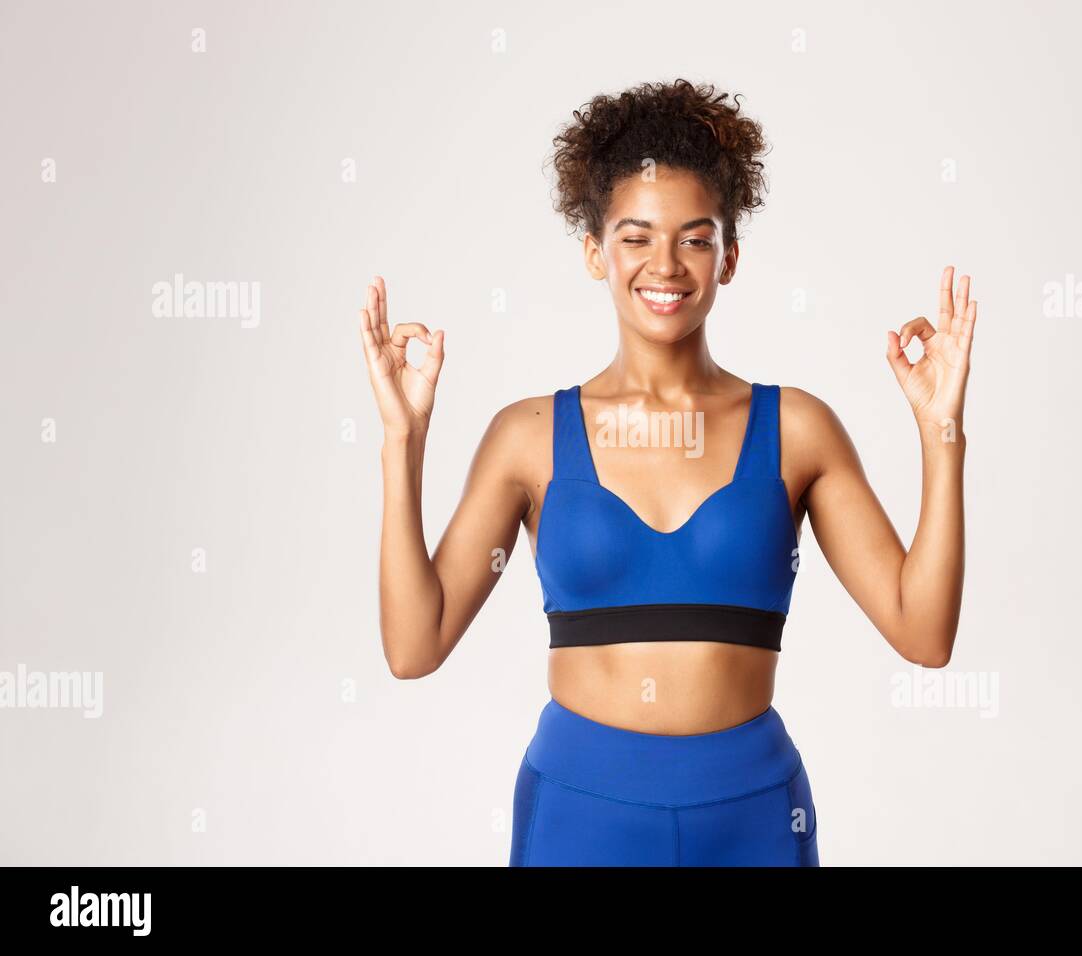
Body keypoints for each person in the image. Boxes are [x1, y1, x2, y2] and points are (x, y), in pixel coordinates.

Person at [357, 78, 976, 866]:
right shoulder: (529, 438)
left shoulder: (797, 430)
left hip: (752, 816)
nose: (666, 264)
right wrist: (401, 441)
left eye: (695, 237)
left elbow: (924, 635)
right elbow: (415, 647)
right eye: (635, 236)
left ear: (730, 257)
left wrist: (941, 432)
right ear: (594, 251)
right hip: (579, 813)